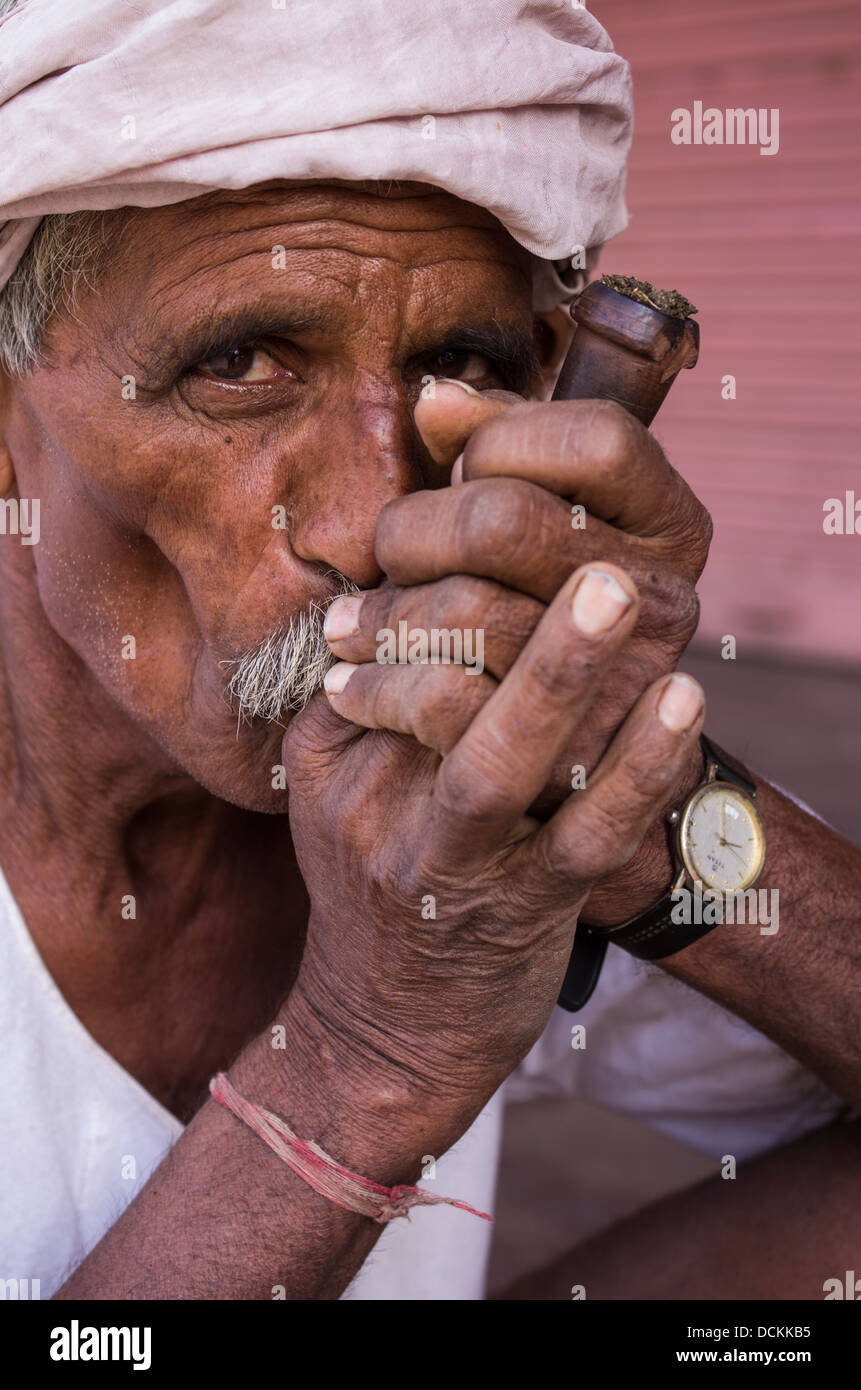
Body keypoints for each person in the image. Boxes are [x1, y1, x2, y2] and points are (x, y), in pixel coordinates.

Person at [0, 0, 857, 1301]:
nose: (368, 525)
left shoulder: (472, 824)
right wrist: (365, 1057)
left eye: (459, 362)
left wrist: (622, 795)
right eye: (239, 362)